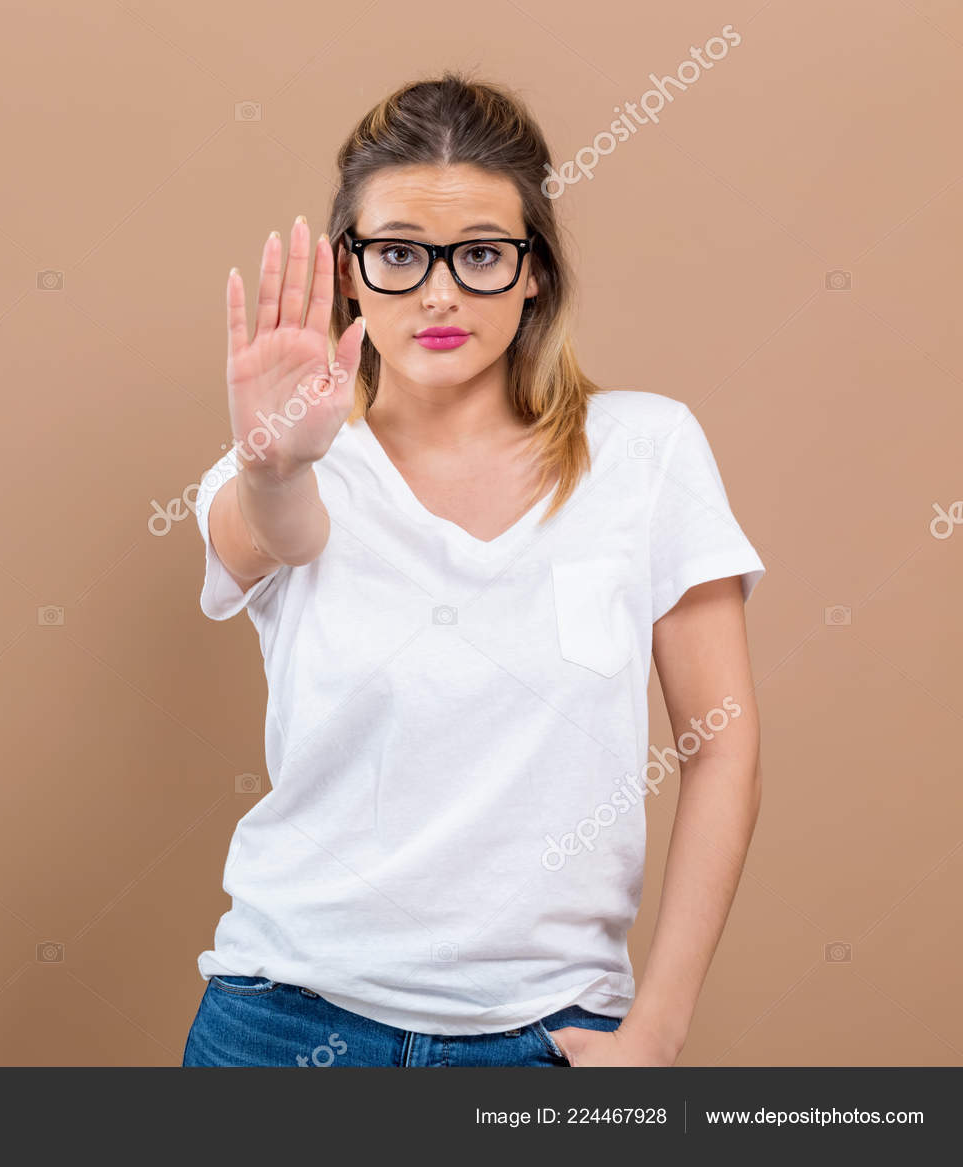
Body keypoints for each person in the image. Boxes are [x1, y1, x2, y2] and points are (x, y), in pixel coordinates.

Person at [181, 73, 765, 1068]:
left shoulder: (646, 451)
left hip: (547, 1037)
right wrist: (273, 463)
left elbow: (721, 746)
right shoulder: (297, 471)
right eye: (400, 253)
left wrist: (656, 1031)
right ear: (349, 271)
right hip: (285, 1025)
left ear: (536, 272)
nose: (440, 293)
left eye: (482, 254)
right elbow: (279, 532)